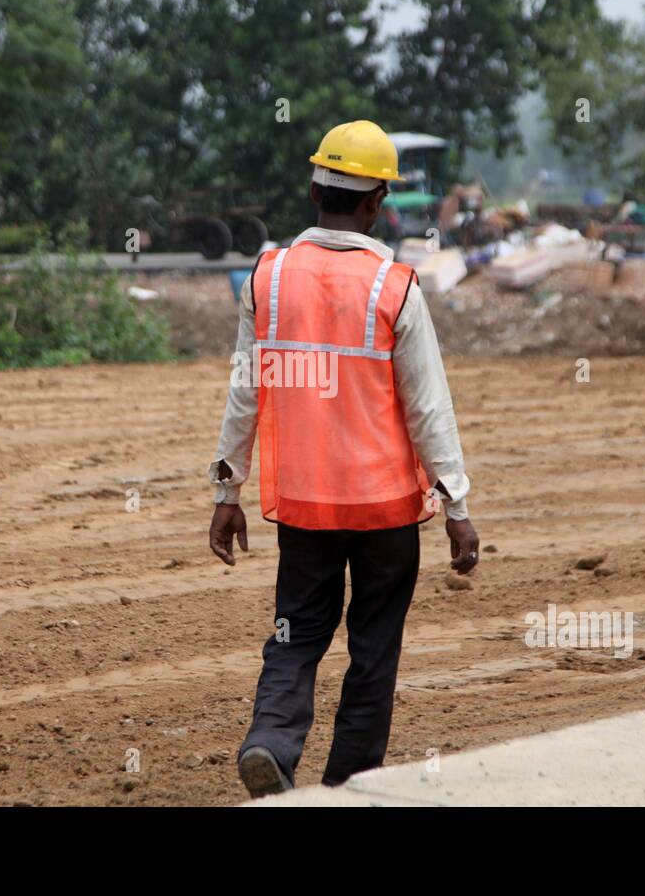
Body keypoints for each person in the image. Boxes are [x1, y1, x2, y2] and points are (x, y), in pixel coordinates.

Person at [207, 120, 478, 798]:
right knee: (373, 649)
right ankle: (347, 783)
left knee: (294, 635)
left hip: (303, 505)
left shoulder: (266, 280)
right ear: (375, 203)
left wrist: (226, 491)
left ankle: (271, 742)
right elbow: (429, 409)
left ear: (311, 190)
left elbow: (246, 390)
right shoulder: (395, 286)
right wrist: (457, 507)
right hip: (385, 511)